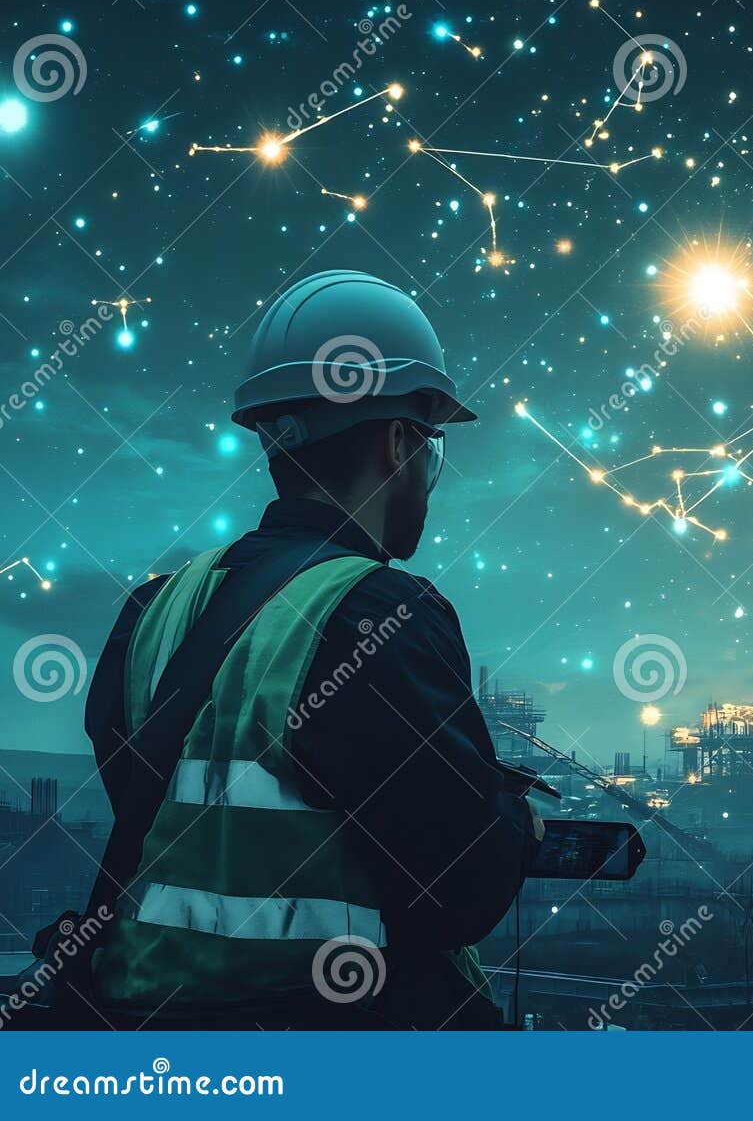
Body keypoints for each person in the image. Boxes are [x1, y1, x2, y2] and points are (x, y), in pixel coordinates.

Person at [81, 270, 542, 1028]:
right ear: (398, 442)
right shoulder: (382, 615)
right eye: (432, 447)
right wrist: (516, 829)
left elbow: (170, 823)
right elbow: (459, 895)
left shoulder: (154, 609)